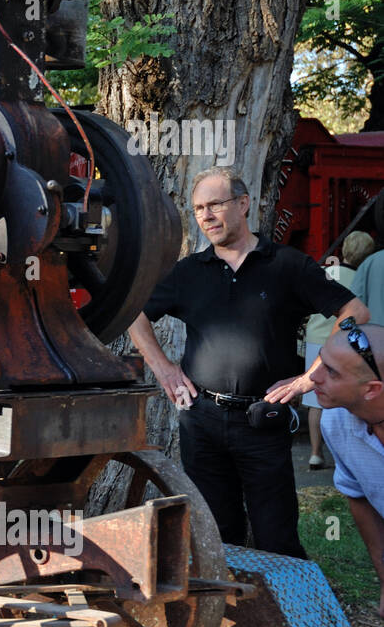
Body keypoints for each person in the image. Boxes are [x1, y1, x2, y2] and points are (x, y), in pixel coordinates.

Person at [128, 168, 369, 557]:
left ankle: (289, 613)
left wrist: (312, 375)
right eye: (198, 208)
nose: (206, 216)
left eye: (215, 205)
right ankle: (227, 615)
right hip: (201, 421)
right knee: (214, 538)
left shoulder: (287, 265)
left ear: (243, 205)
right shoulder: (188, 272)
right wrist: (163, 368)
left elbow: (354, 312)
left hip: (263, 419)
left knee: (277, 537)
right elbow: (134, 312)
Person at [306, 320, 384, 627]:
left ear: (371, 390)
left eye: (330, 372)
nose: (313, 376)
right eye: (319, 361)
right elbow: (360, 500)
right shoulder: (336, 422)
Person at [306, 231, 375, 468]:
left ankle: (315, 453)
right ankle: (343, 456)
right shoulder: (362, 279)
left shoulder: (328, 271)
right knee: (343, 400)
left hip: (315, 338)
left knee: (315, 400)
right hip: (342, 344)